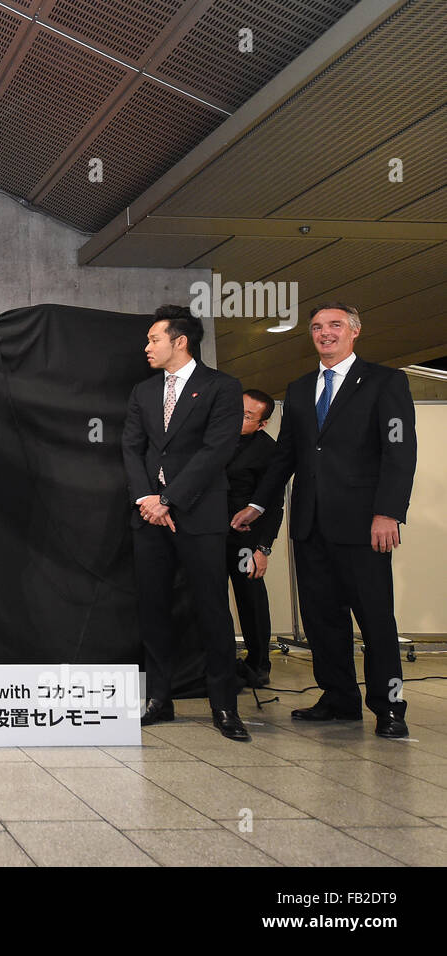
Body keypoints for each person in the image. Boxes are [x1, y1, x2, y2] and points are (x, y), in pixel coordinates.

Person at [233, 303, 416, 738]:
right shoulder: (298, 389)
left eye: (335, 326)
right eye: (317, 327)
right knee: (321, 619)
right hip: (310, 525)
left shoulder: (385, 382)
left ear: (354, 332)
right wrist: (258, 505)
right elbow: (285, 458)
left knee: (375, 619)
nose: (325, 333)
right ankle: (339, 698)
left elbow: (399, 452)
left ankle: (389, 707)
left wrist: (387, 511)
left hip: (364, 525)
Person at [121, 305, 249, 741]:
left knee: (211, 608)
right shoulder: (143, 391)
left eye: (154, 339)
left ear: (180, 341)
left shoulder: (222, 387)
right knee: (153, 608)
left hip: (198, 515)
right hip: (149, 518)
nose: (147, 347)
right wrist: (147, 500)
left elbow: (216, 451)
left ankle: (224, 705)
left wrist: (170, 500)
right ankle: (159, 698)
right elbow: (131, 449)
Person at [226, 389, 283, 688]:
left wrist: (263, 549)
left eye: (248, 416)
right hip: (208, 532)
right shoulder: (213, 435)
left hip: (245, 538)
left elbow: (274, 506)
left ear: (262, 424)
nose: (239, 416)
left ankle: (259, 663)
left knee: (251, 600)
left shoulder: (268, 451)